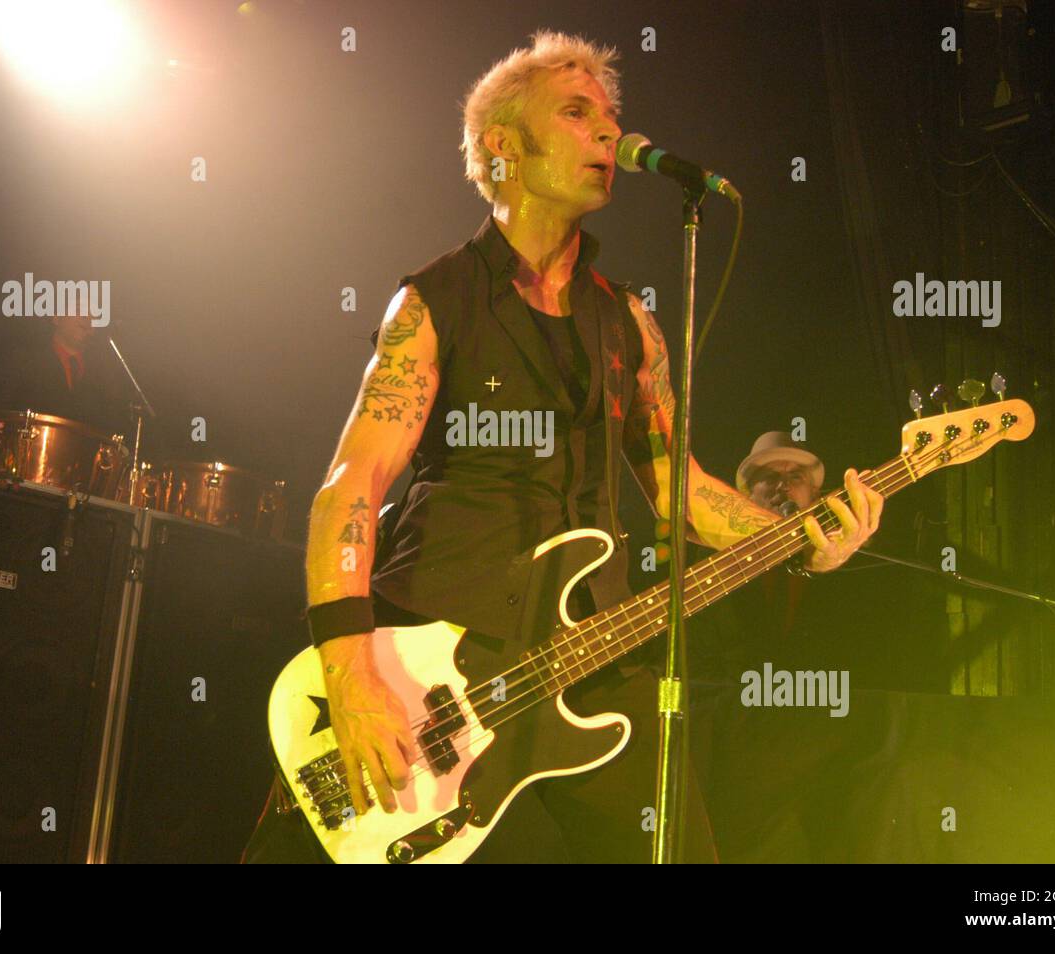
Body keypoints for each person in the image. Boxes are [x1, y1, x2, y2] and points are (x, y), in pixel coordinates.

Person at [245, 30, 883, 864]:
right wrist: (350, 671)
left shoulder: (627, 323)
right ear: (502, 147)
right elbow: (351, 483)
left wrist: (805, 542)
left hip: (588, 651)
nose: (609, 135)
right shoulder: (433, 304)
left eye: (612, 118)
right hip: (433, 653)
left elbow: (682, 494)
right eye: (578, 114)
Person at [0, 311, 130, 436]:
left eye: (94, 315)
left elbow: (111, 426)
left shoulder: (104, 376)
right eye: (79, 309)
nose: (87, 317)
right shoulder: (24, 361)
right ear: (56, 318)